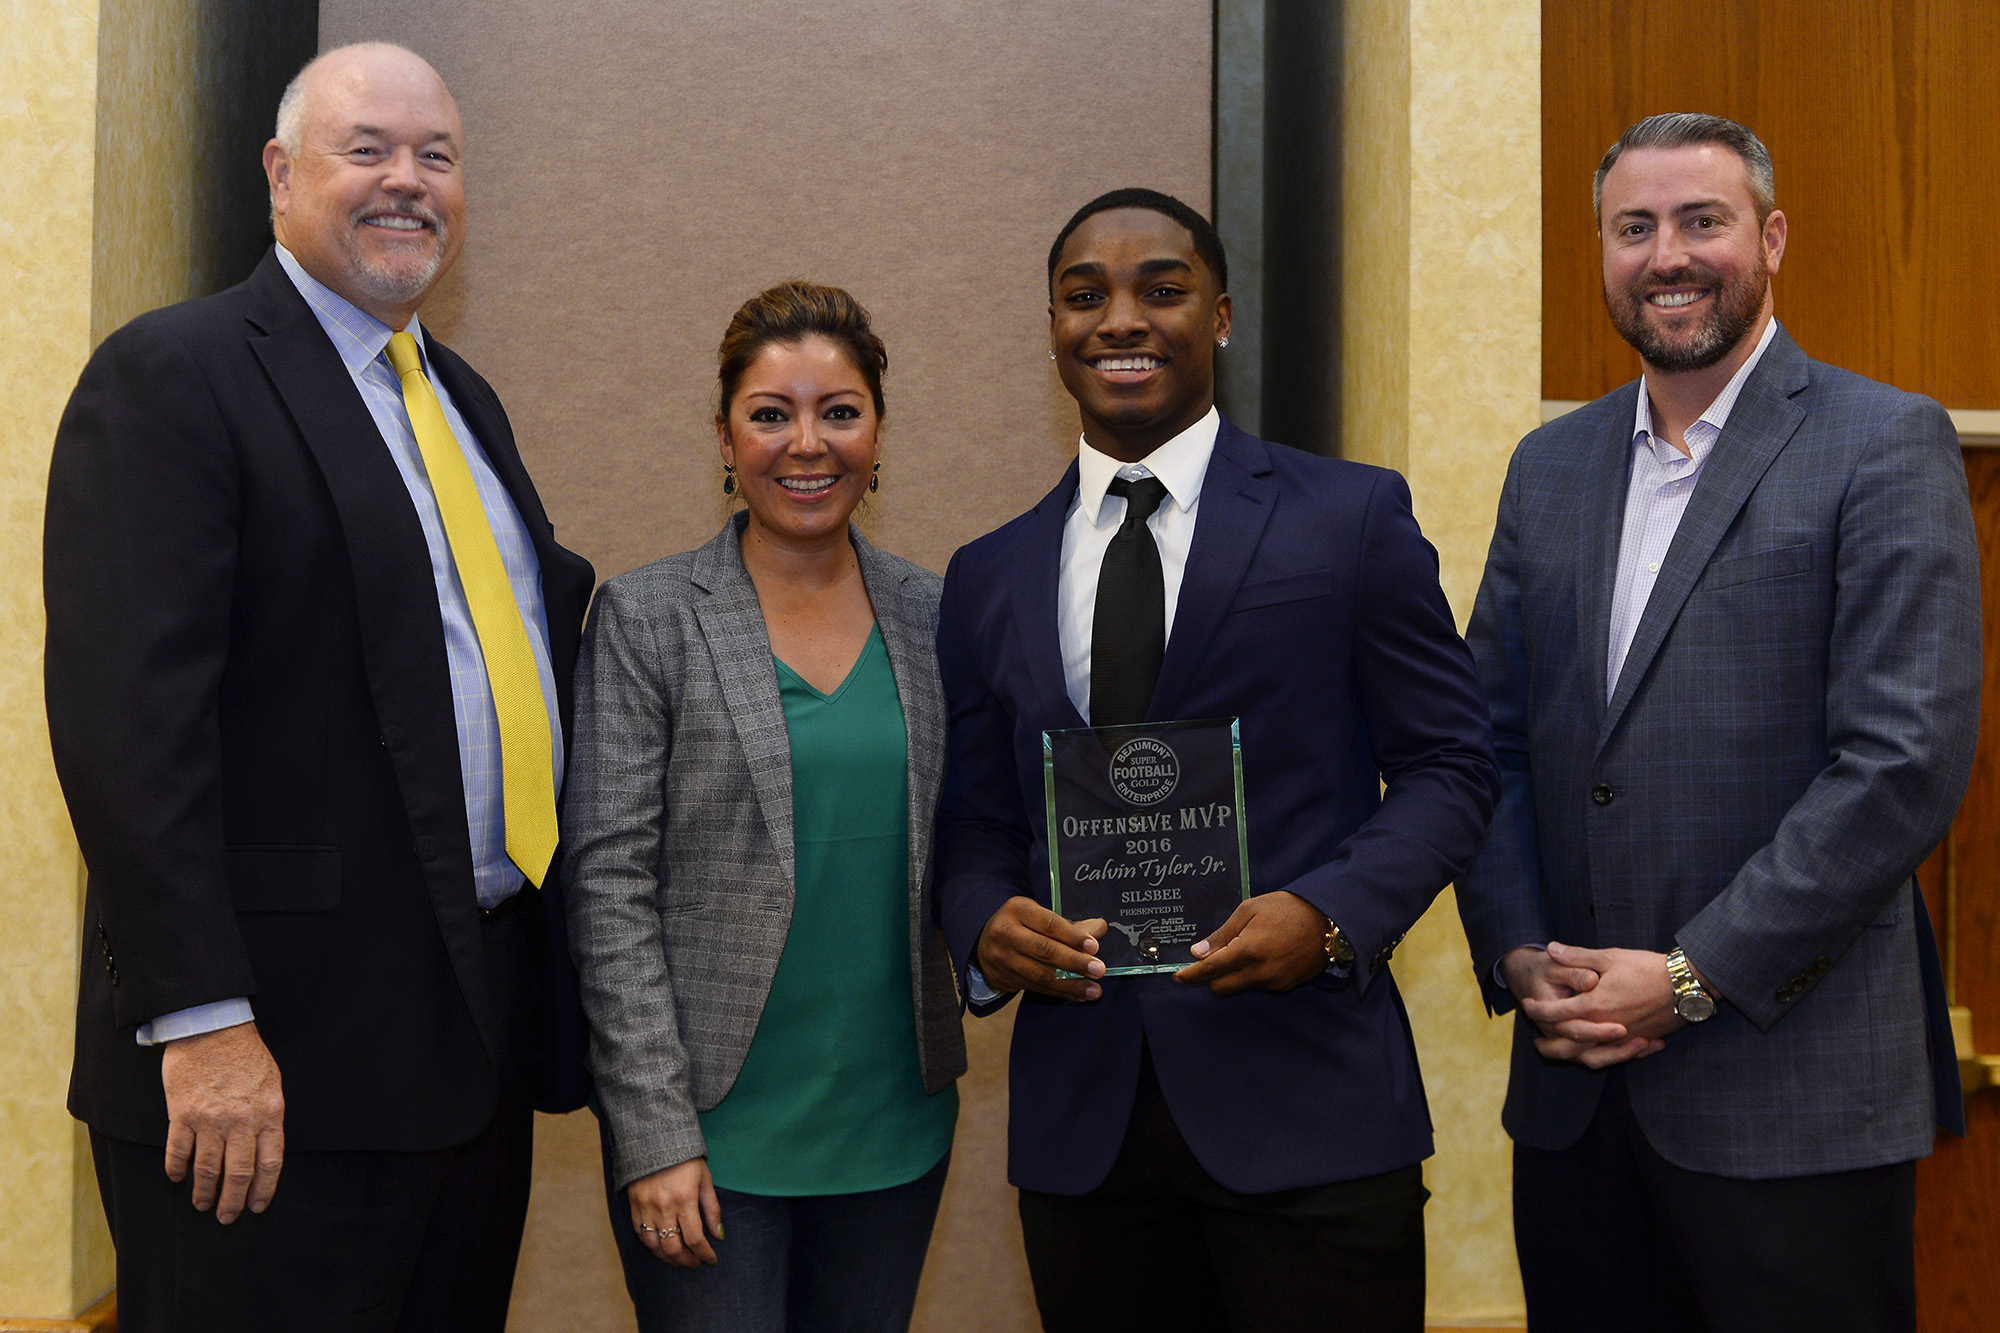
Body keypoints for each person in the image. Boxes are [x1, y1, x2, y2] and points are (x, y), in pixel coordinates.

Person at [43, 42, 595, 1332]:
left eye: (439, 157)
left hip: (463, 1057)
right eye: (370, 150)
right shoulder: (174, 376)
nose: (408, 182)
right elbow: (132, 729)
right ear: (281, 173)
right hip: (265, 1081)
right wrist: (204, 1022)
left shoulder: (460, 397)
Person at [933, 188, 1500, 1332]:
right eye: (1083, 296)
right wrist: (983, 918)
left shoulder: (1345, 517)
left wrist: (1330, 913)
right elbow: (975, 821)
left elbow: (1451, 763)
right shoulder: (987, 573)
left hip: (1310, 1108)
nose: (1119, 319)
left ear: (1222, 314)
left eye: (1161, 287)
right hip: (1085, 1131)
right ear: (1050, 328)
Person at [1454, 113, 1977, 1332]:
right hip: (1575, 1097)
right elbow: (1487, 739)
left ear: (1770, 238)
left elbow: (1898, 767)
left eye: (1701, 221)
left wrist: (1688, 977)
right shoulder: (1551, 465)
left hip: (1790, 1097)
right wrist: (1520, 949)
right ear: (1599, 249)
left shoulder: (1880, 439)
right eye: (1632, 228)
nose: (1665, 255)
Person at [563, 280, 967, 1332]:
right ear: (724, 433)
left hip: (893, 1125)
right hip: (710, 1138)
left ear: (877, 431)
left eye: (839, 411)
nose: (807, 444)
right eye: (770, 412)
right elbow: (607, 889)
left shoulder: (935, 614)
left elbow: (974, 836)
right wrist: (653, 1134)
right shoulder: (648, 617)